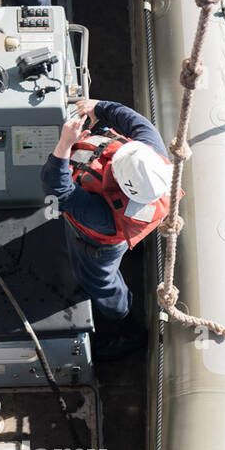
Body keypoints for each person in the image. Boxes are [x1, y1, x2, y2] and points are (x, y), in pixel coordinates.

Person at [41, 97, 173, 360]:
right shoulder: (153, 156)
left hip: (100, 247)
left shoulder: (102, 215)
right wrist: (99, 106)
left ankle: (126, 327)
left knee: (101, 282)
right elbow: (137, 122)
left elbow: (57, 190)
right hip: (130, 231)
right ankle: (130, 253)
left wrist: (66, 142)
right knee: (117, 254)